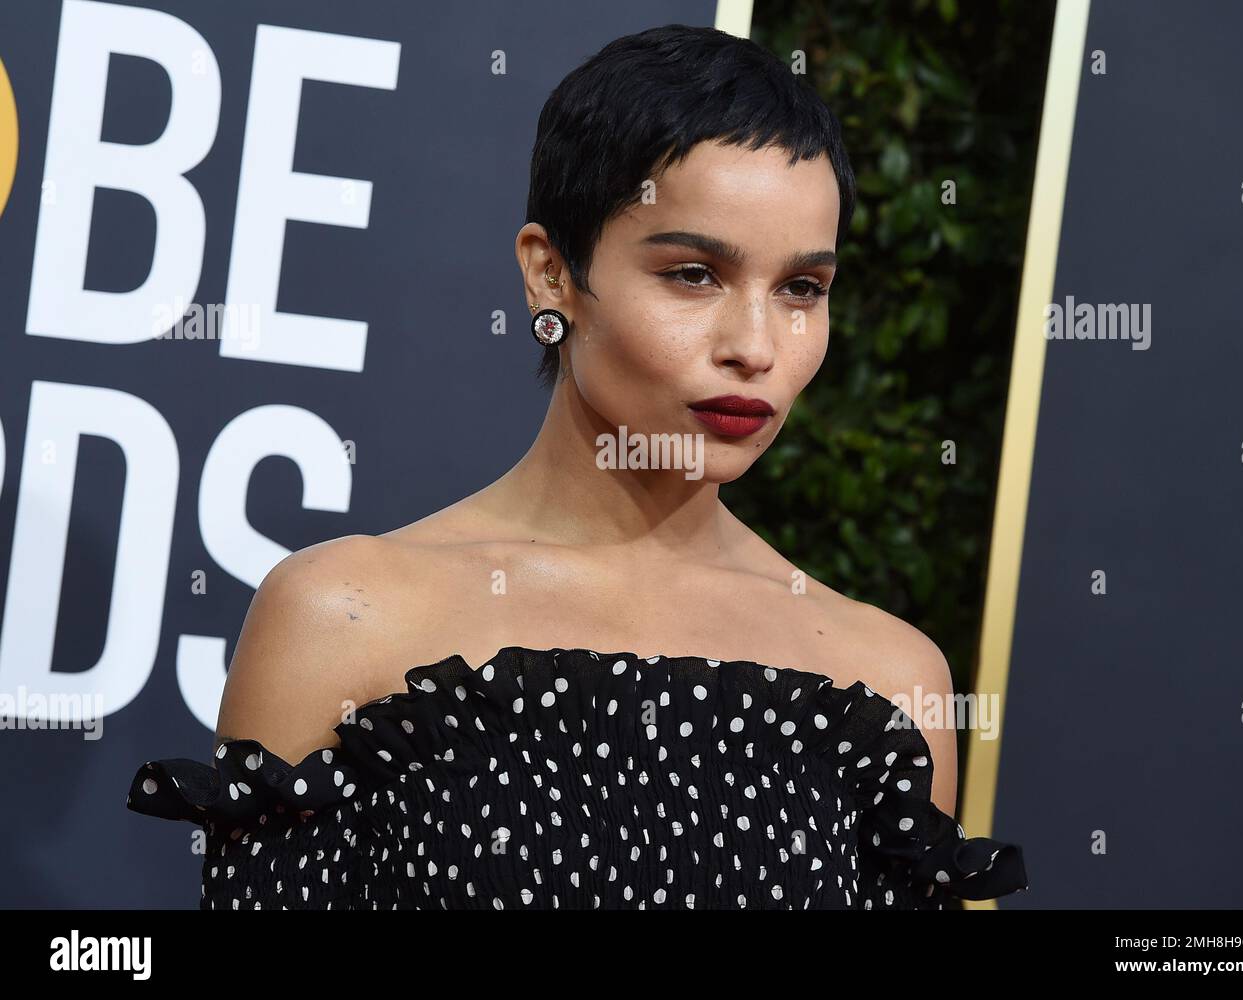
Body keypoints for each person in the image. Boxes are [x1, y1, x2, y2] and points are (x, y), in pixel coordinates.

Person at [127, 23, 1028, 910]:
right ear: (550, 274)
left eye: (802, 289)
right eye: (693, 274)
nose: (755, 347)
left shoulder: (888, 680)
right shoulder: (343, 617)